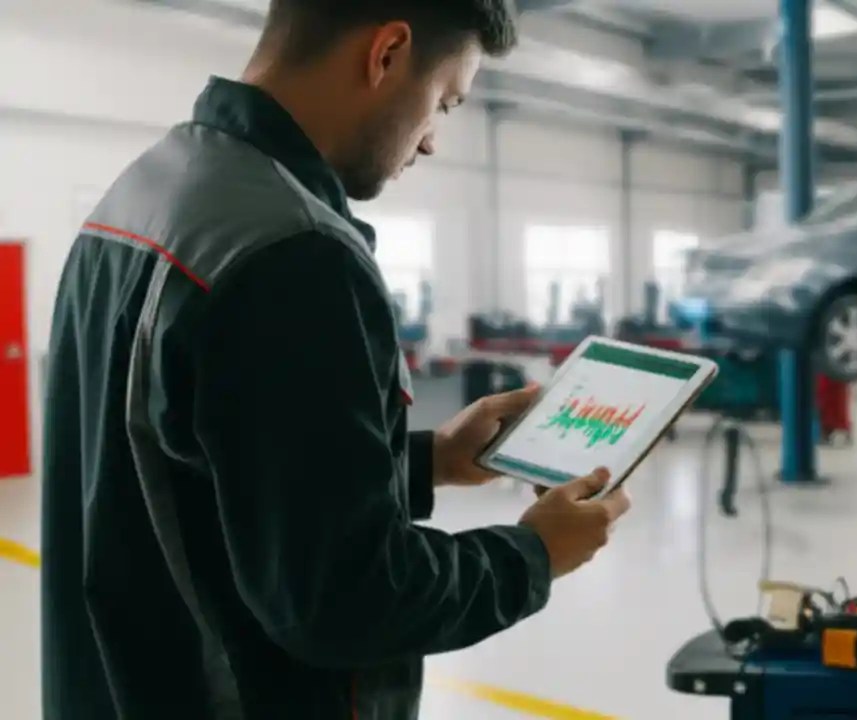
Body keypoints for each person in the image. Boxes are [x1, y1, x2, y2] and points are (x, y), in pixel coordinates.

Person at [40, 1, 631, 718]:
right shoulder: (293, 254)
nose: (431, 142)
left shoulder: (146, 193)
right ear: (386, 53)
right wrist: (533, 554)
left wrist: (431, 459)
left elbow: (207, 472)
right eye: (442, 102)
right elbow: (344, 600)